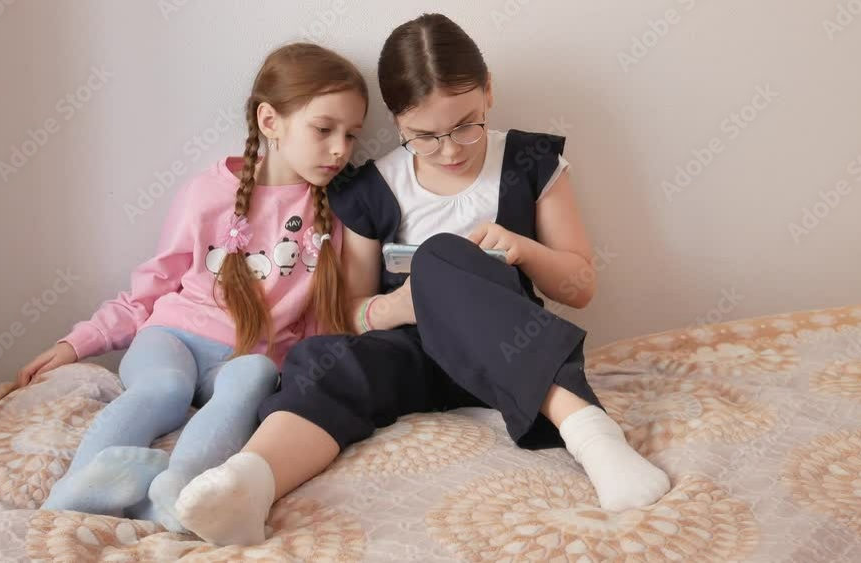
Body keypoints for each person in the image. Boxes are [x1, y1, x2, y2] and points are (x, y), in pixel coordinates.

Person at [175, 14, 671, 546]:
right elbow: (347, 309)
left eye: (466, 124)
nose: (451, 150)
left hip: (507, 352)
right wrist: (404, 307)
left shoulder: (531, 162)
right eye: (424, 137)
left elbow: (580, 286)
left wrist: (524, 250)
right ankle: (252, 481)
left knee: (440, 255)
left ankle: (594, 435)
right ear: (397, 122)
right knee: (323, 359)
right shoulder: (373, 187)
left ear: (488, 93)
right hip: (409, 356)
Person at [17, 43, 367, 532]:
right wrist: (78, 342)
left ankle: (177, 493)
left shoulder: (337, 212)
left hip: (249, 356)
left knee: (250, 382)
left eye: (351, 135)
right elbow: (153, 284)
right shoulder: (207, 193)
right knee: (165, 386)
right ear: (270, 121)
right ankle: (76, 492)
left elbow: (321, 321)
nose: (341, 150)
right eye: (324, 129)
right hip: (173, 338)